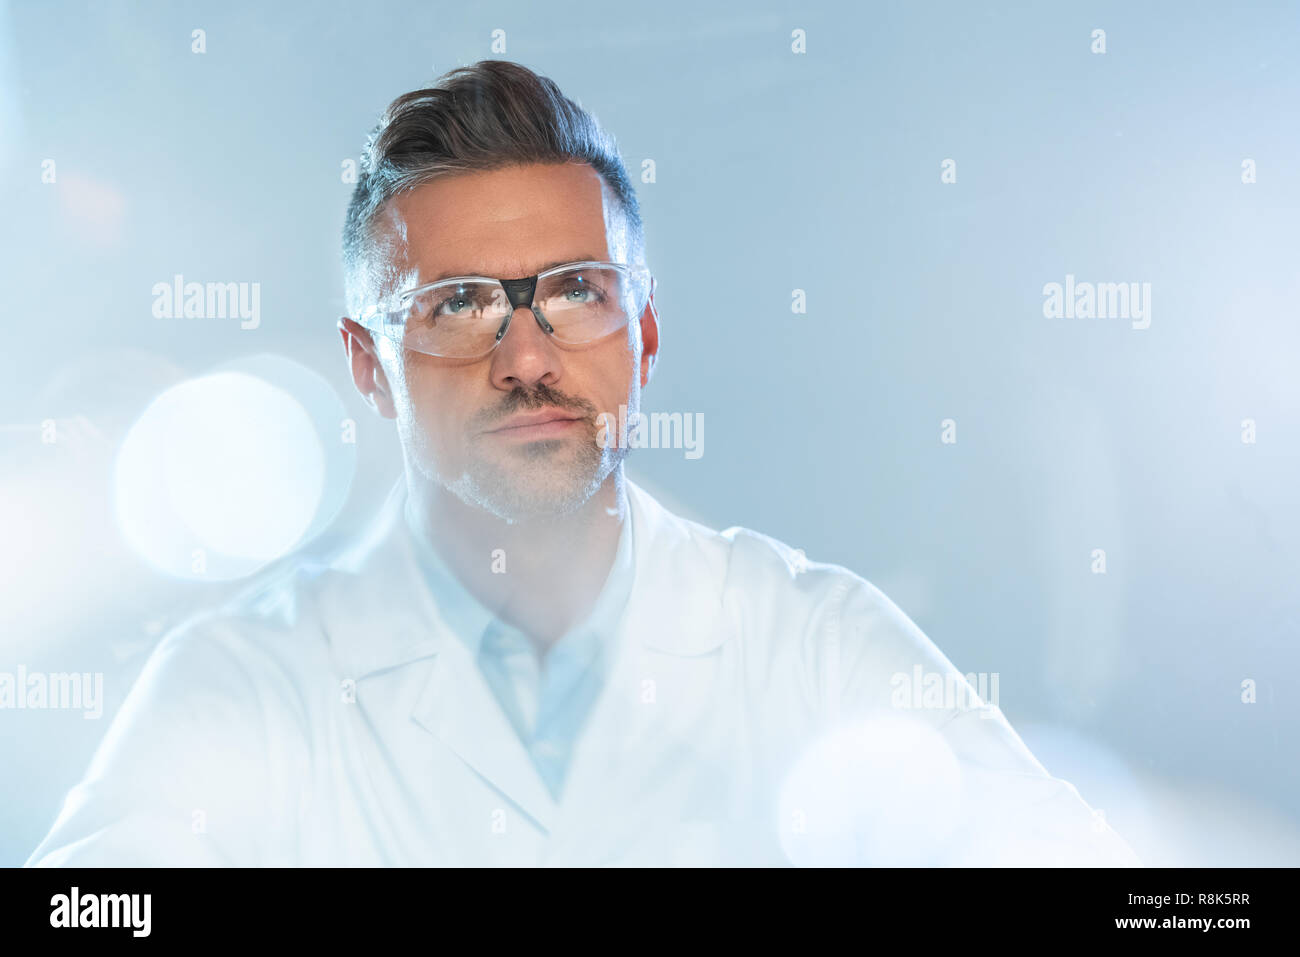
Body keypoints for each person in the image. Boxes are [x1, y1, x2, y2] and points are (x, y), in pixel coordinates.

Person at [27, 60, 1139, 867]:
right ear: (367, 367)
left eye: (575, 294)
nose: (526, 357)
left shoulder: (802, 639)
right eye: (455, 305)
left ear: (644, 336)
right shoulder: (242, 686)